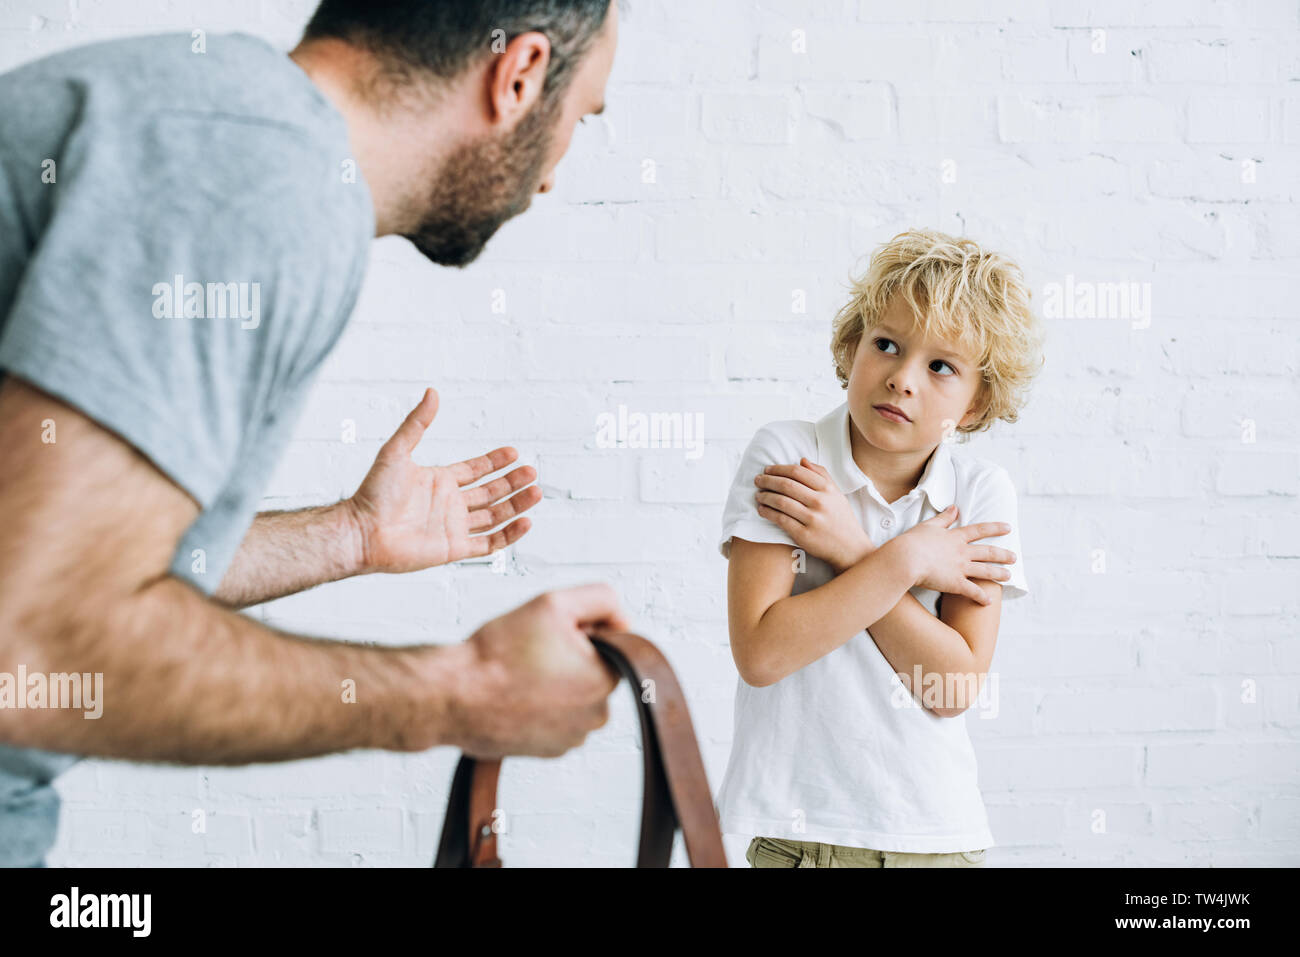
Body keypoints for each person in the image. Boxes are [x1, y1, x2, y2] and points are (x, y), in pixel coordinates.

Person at [0, 0, 621, 867]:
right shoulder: (264, 174)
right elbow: (33, 648)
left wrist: (350, 536)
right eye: (579, 118)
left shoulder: (223, 120)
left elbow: (57, 565)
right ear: (516, 75)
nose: (552, 175)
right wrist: (459, 691)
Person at [715, 229, 1045, 868]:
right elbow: (762, 652)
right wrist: (905, 560)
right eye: (886, 345)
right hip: (798, 839)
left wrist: (852, 548)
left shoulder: (979, 494)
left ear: (977, 405)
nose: (901, 379)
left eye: (940, 366)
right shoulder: (790, 457)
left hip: (935, 840)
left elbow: (950, 687)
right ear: (852, 347)